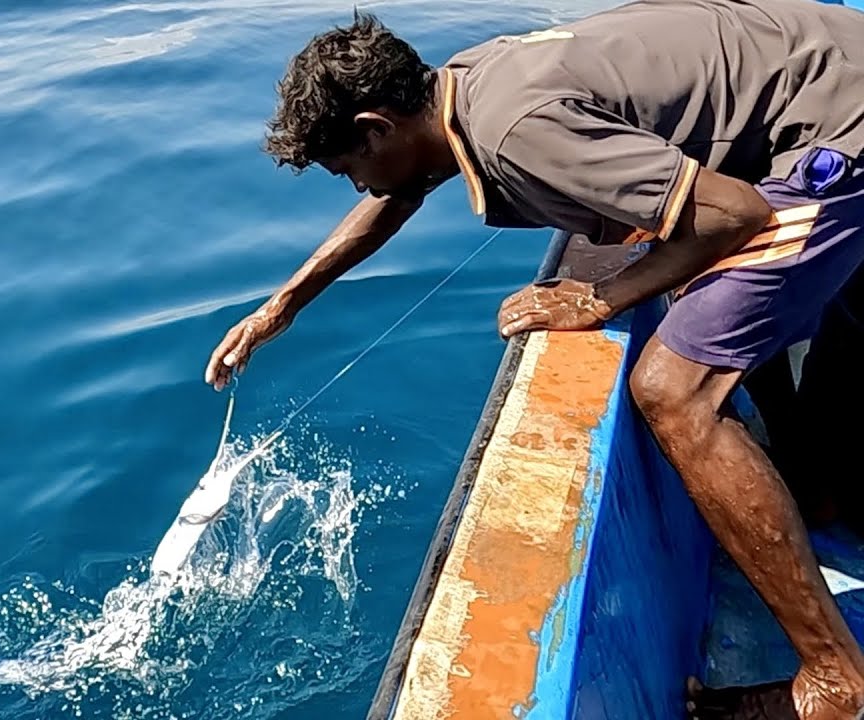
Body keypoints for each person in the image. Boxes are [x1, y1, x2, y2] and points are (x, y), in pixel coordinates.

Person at [201, 1, 864, 718]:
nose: (357, 188)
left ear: (376, 128)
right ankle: (816, 489)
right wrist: (285, 304)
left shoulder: (516, 132)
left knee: (674, 386)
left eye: (347, 169)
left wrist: (602, 299)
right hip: (834, 69)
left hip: (841, 126)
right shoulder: (460, 87)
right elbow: (399, 188)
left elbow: (736, 215)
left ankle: (835, 683)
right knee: (713, 293)